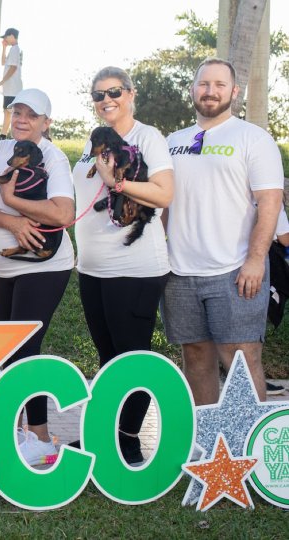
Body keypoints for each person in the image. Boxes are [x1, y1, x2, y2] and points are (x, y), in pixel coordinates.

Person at [164, 58, 284, 407]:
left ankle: (251, 448)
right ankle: (207, 449)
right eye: (204, 84)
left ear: (234, 92)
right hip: (179, 272)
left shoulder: (253, 138)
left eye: (219, 85)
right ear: (192, 90)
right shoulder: (173, 141)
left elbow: (270, 202)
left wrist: (255, 260)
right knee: (196, 358)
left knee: (242, 361)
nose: (210, 91)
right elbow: (162, 205)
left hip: (235, 270)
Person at [71, 66, 174, 466]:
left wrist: (121, 184)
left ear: (131, 93)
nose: (106, 100)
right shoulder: (92, 141)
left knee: (131, 358)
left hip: (134, 267)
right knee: (108, 358)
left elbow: (164, 193)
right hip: (93, 269)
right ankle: (105, 434)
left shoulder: (148, 137)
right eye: (98, 95)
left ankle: (128, 440)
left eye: (114, 92)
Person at [0, 88, 74, 466]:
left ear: (46, 123)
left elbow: (63, 214)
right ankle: (21, 432)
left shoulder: (53, 159)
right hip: (5, 267)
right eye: (16, 111)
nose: (21, 119)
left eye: (31, 115)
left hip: (45, 266)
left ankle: (40, 439)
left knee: (24, 351)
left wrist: (15, 203)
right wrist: (12, 222)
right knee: (10, 352)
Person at [0, 28, 23, 139]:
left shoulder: (15, 49)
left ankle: (12, 135)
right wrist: (3, 48)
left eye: (6, 37)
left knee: (11, 112)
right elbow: (3, 62)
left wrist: (1, 82)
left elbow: (13, 68)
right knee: (7, 112)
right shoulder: (12, 50)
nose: (5, 39)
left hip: (13, 87)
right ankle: (3, 135)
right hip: (9, 88)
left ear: (12, 36)